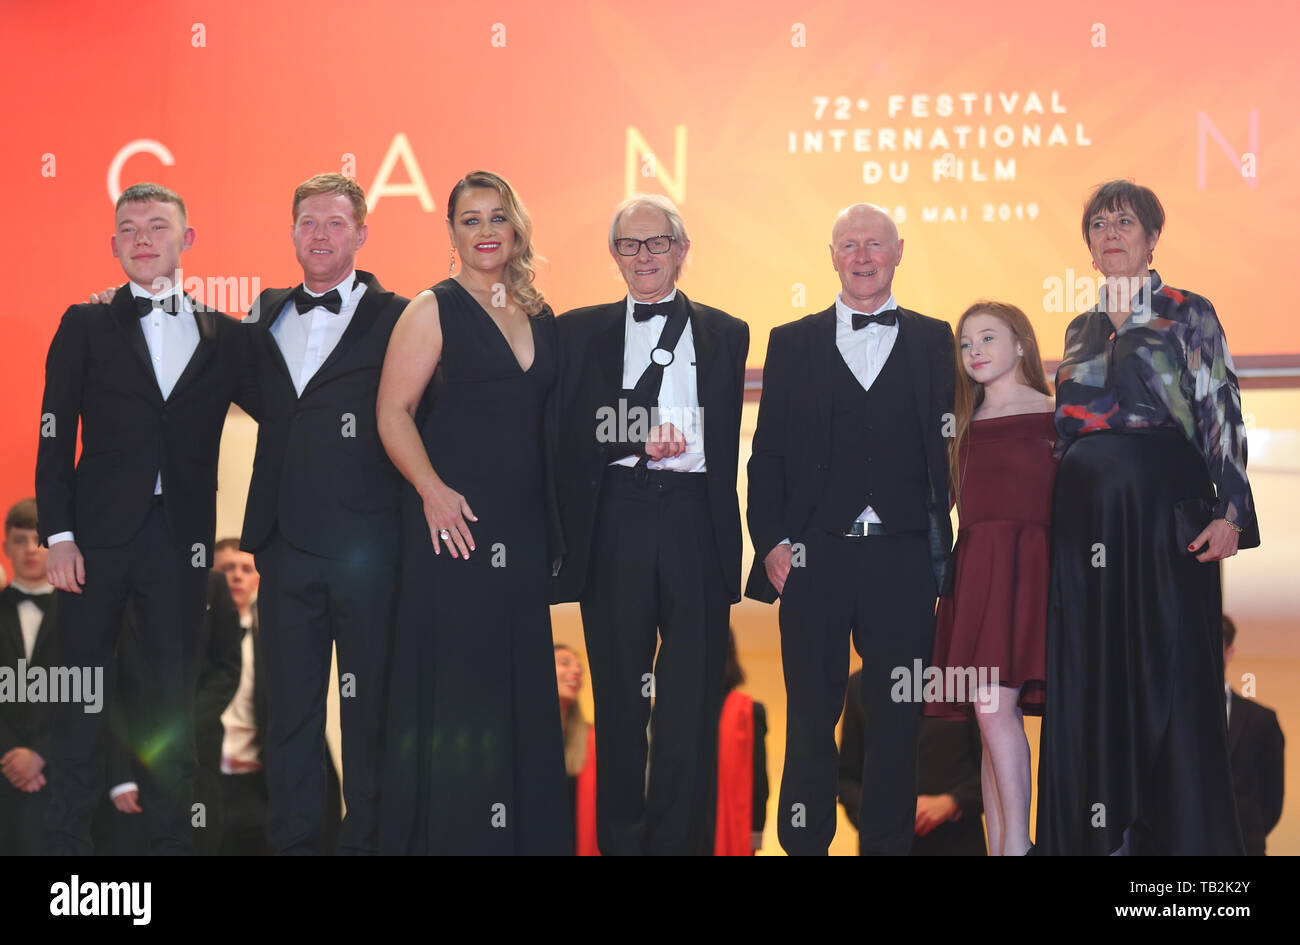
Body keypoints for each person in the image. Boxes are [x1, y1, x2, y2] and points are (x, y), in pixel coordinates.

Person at [1036, 180, 1259, 856]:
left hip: (1165, 514)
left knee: (1168, 671)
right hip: (1084, 525)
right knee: (1093, 674)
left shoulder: (1189, 311)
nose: (1111, 232)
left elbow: (1222, 408)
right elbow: (1062, 436)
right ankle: (1099, 839)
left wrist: (1230, 511)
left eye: (1124, 221)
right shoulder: (1078, 327)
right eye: (1098, 223)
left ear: (1152, 235)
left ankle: (1177, 848)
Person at [37, 182, 254, 854]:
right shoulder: (83, 322)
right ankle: (63, 865)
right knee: (77, 706)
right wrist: (60, 535)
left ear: (186, 240)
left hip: (182, 547)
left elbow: (287, 413)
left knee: (169, 707)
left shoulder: (226, 335)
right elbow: (52, 432)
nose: (142, 238)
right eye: (128, 228)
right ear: (113, 245)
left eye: (157, 225)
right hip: (94, 544)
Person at [747, 203, 955, 856]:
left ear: (898, 252)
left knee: (897, 723)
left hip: (903, 560)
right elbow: (768, 453)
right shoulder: (790, 340)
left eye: (874, 244)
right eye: (849, 245)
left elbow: (952, 447)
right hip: (815, 559)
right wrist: (773, 540)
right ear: (831, 255)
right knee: (810, 718)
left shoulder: (934, 339)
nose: (862, 256)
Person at [377, 171, 570, 854]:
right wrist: (431, 489)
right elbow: (391, 411)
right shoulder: (432, 307)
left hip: (520, 536)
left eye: (497, 217)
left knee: (516, 689)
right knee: (460, 690)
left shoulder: (540, 314)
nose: (485, 231)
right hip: (452, 531)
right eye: (469, 219)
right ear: (452, 232)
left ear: (516, 228)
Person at [553, 194, 749, 855]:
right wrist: (639, 429)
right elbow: (565, 433)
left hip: (696, 518)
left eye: (657, 243)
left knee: (691, 702)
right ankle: (620, 843)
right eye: (630, 245)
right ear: (614, 254)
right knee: (618, 694)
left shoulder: (730, 331)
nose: (644, 256)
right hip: (618, 515)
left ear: (682, 250)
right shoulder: (578, 330)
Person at [239, 173, 407, 855]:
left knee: (368, 714)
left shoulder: (401, 315)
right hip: (283, 547)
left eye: (336, 223)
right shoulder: (263, 311)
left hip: (368, 547)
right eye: (308, 221)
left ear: (362, 234)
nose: (320, 235)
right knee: (289, 717)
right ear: (291, 231)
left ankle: (366, 846)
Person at [924, 301, 1055, 856]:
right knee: (988, 715)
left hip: (1037, 571)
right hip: (977, 574)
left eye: (987, 338)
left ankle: (1019, 847)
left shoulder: (1059, 413)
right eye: (965, 343)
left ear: (1021, 343)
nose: (974, 351)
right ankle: (1004, 846)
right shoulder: (957, 426)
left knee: (994, 709)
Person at [95, 569, 241, 856]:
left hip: (197, 749)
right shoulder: (114, 586)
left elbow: (227, 669)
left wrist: (179, 726)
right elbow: (104, 684)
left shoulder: (211, 583)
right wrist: (120, 773)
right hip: (129, 755)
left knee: (197, 842)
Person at [211, 539, 342, 855]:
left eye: (246, 569)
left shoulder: (278, 640)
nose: (237, 577)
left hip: (260, 784)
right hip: (208, 780)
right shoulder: (191, 641)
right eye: (227, 568)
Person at [840, 669, 986, 856]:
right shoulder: (860, 685)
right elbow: (846, 777)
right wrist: (875, 814)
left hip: (957, 842)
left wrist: (952, 802)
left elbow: (995, 775)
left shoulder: (965, 683)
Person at [0, 499, 57, 855]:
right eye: (20, 540)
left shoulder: (85, 617)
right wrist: (9, 752)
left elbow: (93, 694)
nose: (31, 550)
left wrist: (41, 752)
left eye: (40, 540)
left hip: (63, 772)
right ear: (6, 547)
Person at [1222, 615, 1285, 855]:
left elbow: (1271, 800)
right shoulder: (1169, 718)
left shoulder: (1262, 720)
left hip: (1244, 846)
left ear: (1229, 652)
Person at [713, 629, 769, 856]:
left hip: (734, 835)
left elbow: (759, 784)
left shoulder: (749, 713)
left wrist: (755, 840)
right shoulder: (675, 712)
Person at [555, 644, 598, 856]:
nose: (576, 672)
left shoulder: (591, 741)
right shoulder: (521, 737)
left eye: (579, 669)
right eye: (564, 663)